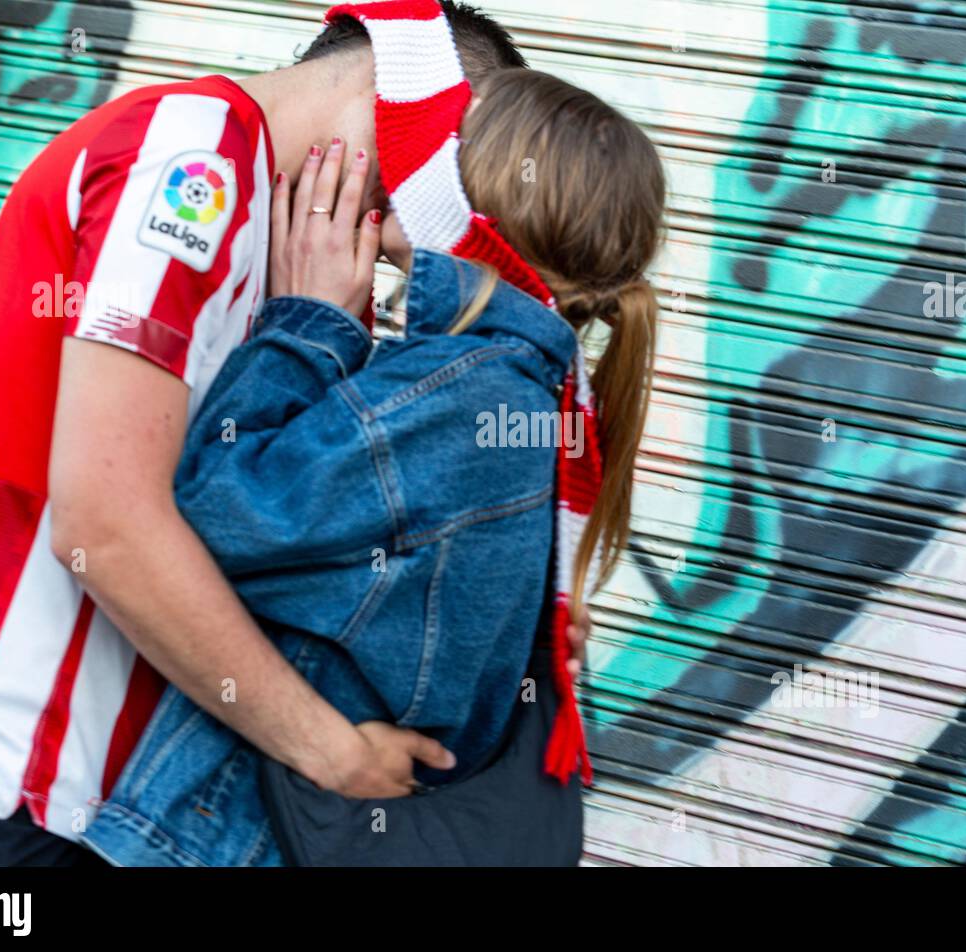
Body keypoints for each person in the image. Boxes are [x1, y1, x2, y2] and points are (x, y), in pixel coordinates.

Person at [0, 2, 544, 867]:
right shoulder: (191, 155)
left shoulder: (275, 229)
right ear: (402, 90)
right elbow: (106, 527)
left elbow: (269, 533)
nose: (429, 214)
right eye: (448, 162)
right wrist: (330, 750)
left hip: (106, 805)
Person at [79, 1, 665, 866]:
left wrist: (307, 324)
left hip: (228, 835)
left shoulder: (458, 394)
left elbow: (213, 513)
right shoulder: (531, 394)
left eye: (445, 145)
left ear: (480, 196)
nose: (409, 150)